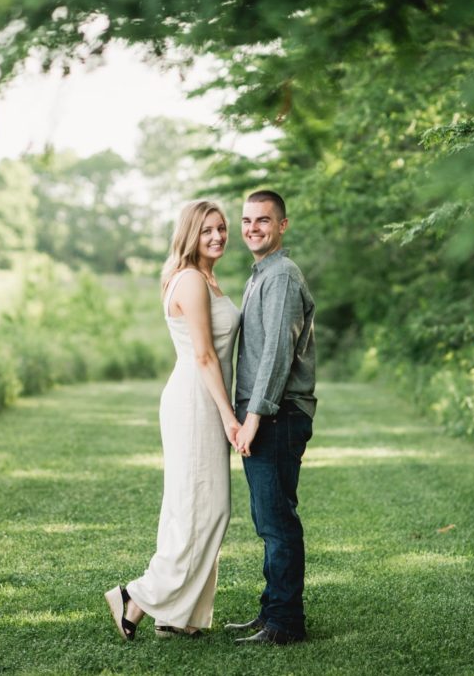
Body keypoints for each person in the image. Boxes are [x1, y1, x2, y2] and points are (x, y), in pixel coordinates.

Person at [105, 200, 241, 640]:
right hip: (196, 402)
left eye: (221, 228)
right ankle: (137, 598)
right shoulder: (190, 280)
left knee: (193, 508)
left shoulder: (204, 278)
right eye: (207, 231)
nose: (218, 236)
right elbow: (203, 355)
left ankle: (179, 615)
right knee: (205, 507)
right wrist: (228, 416)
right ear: (189, 235)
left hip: (198, 397)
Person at [226, 189, 316, 645]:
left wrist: (255, 417)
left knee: (278, 522)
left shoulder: (280, 276)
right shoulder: (262, 274)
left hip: (277, 417)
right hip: (267, 416)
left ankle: (285, 624)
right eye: (246, 220)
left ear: (282, 225)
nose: (252, 228)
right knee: (270, 519)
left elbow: (277, 355)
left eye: (263, 220)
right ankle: (271, 612)